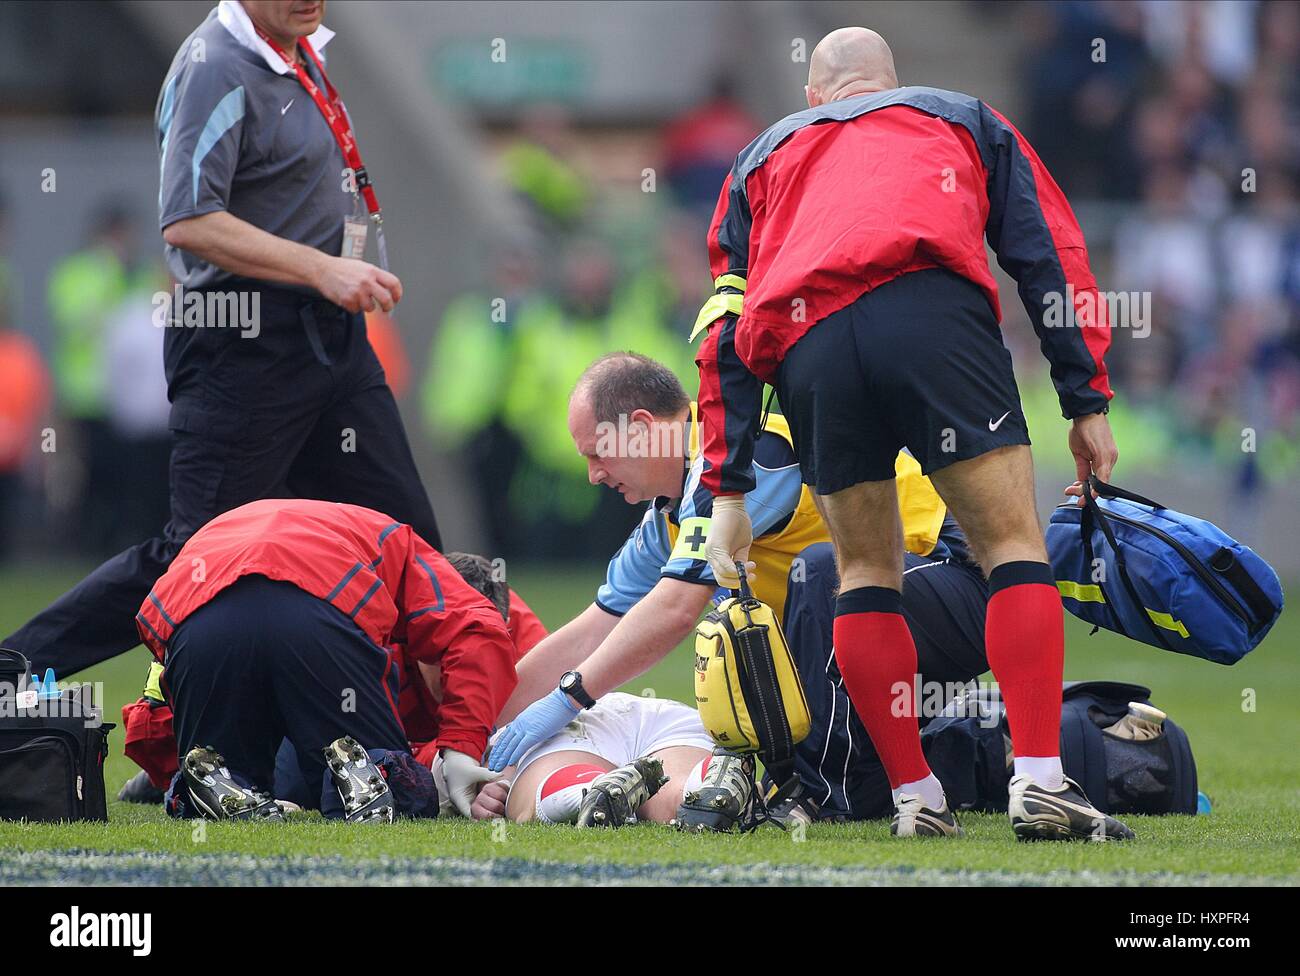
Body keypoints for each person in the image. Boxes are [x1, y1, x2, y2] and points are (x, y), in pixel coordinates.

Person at [692, 28, 1132, 841]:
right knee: (1011, 546)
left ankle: (914, 800)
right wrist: (1086, 396)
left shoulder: (761, 156)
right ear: (893, 83)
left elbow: (724, 325)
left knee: (863, 569)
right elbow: (1050, 255)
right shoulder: (960, 117)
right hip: (932, 313)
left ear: (815, 100)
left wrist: (726, 488)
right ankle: (1038, 783)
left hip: (809, 340)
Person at [3, 0, 442, 679]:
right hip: (244, 341)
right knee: (196, 557)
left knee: (407, 545)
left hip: (330, 338)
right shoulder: (214, 66)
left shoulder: (299, 51)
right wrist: (323, 266)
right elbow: (187, 220)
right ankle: (15, 671)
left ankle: (440, 741)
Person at [487, 352, 968, 778]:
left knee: (809, 585)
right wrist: (475, 735)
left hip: (955, 576)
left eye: (597, 453)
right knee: (767, 634)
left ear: (640, 428)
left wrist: (566, 698)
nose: (593, 474)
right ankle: (974, 740)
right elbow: (594, 630)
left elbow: (675, 609)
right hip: (895, 619)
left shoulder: (743, 456)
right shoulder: (668, 513)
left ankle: (828, 788)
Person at [134, 498, 514, 821]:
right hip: (320, 613)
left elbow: (158, 700)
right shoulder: (401, 546)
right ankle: (374, 767)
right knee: (399, 789)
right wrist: (462, 745)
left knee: (225, 769)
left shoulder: (231, 535)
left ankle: (212, 785)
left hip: (196, 617)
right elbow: (478, 630)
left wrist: (167, 765)